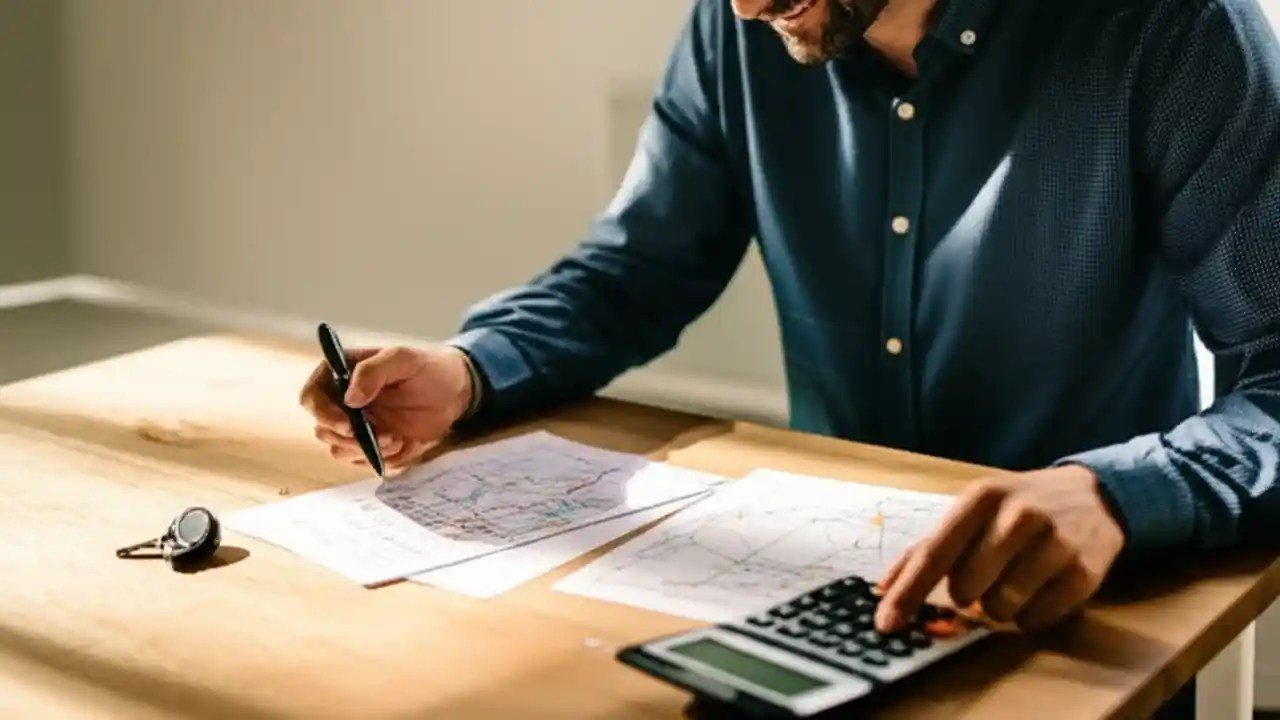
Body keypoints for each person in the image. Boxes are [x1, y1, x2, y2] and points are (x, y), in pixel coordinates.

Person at [301, 0, 1280, 642]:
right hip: (820, 599)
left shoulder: (1171, 30)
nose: (744, 6)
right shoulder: (739, 31)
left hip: (1084, 613)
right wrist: (471, 370)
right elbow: (633, 269)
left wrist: (1110, 496)